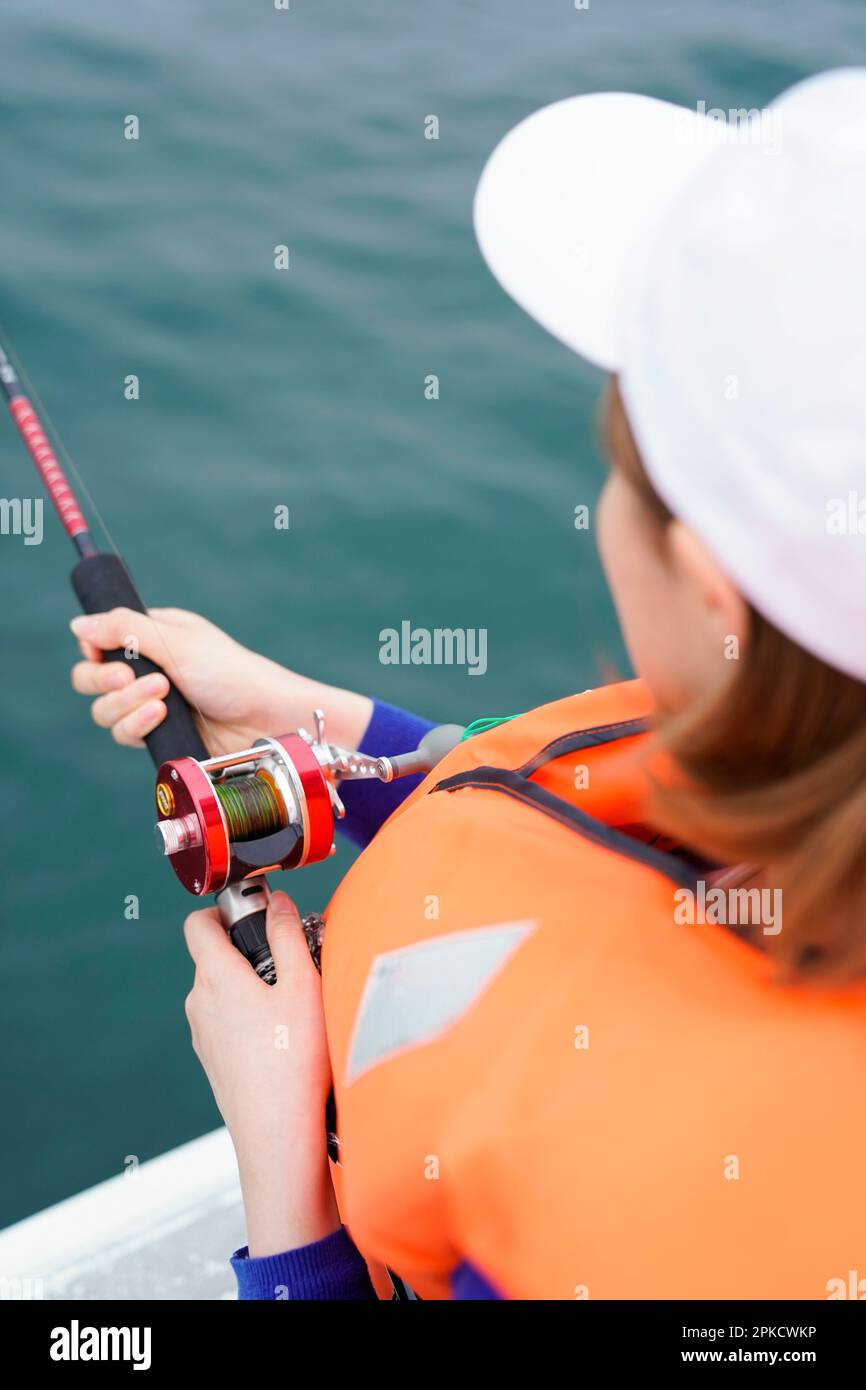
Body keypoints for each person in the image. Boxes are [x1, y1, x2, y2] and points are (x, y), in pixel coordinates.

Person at [69, 69, 866, 1299]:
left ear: (705, 590)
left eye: (620, 460)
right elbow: (580, 805)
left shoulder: (658, 1209)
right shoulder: (809, 743)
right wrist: (314, 723)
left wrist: (285, 1186)